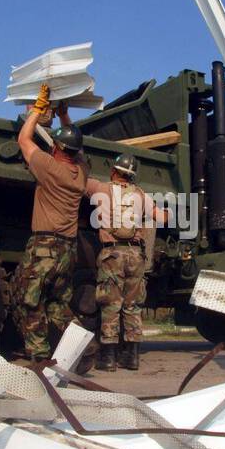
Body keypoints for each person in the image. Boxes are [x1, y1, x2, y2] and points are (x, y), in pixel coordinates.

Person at [10, 86, 87, 362]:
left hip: (45, 246)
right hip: (67, 250)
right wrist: (65, 115)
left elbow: (24, 139)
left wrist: (39, 108)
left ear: (55, 147)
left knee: (27, 298)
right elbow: (77, 147)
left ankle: (40, 355)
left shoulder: (49, 167)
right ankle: (83, 345)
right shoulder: (80, 172)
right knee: (57, 303)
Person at [84, 152, 168, 371]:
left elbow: (78, 180)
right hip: (135, 256)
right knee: (133, 305)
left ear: (114, 171)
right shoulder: (140, 194)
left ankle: (108, 358)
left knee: (110, 304)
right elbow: (161, 218)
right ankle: (132, 357)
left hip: (112, 254)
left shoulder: (101, 189)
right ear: (132, 176)